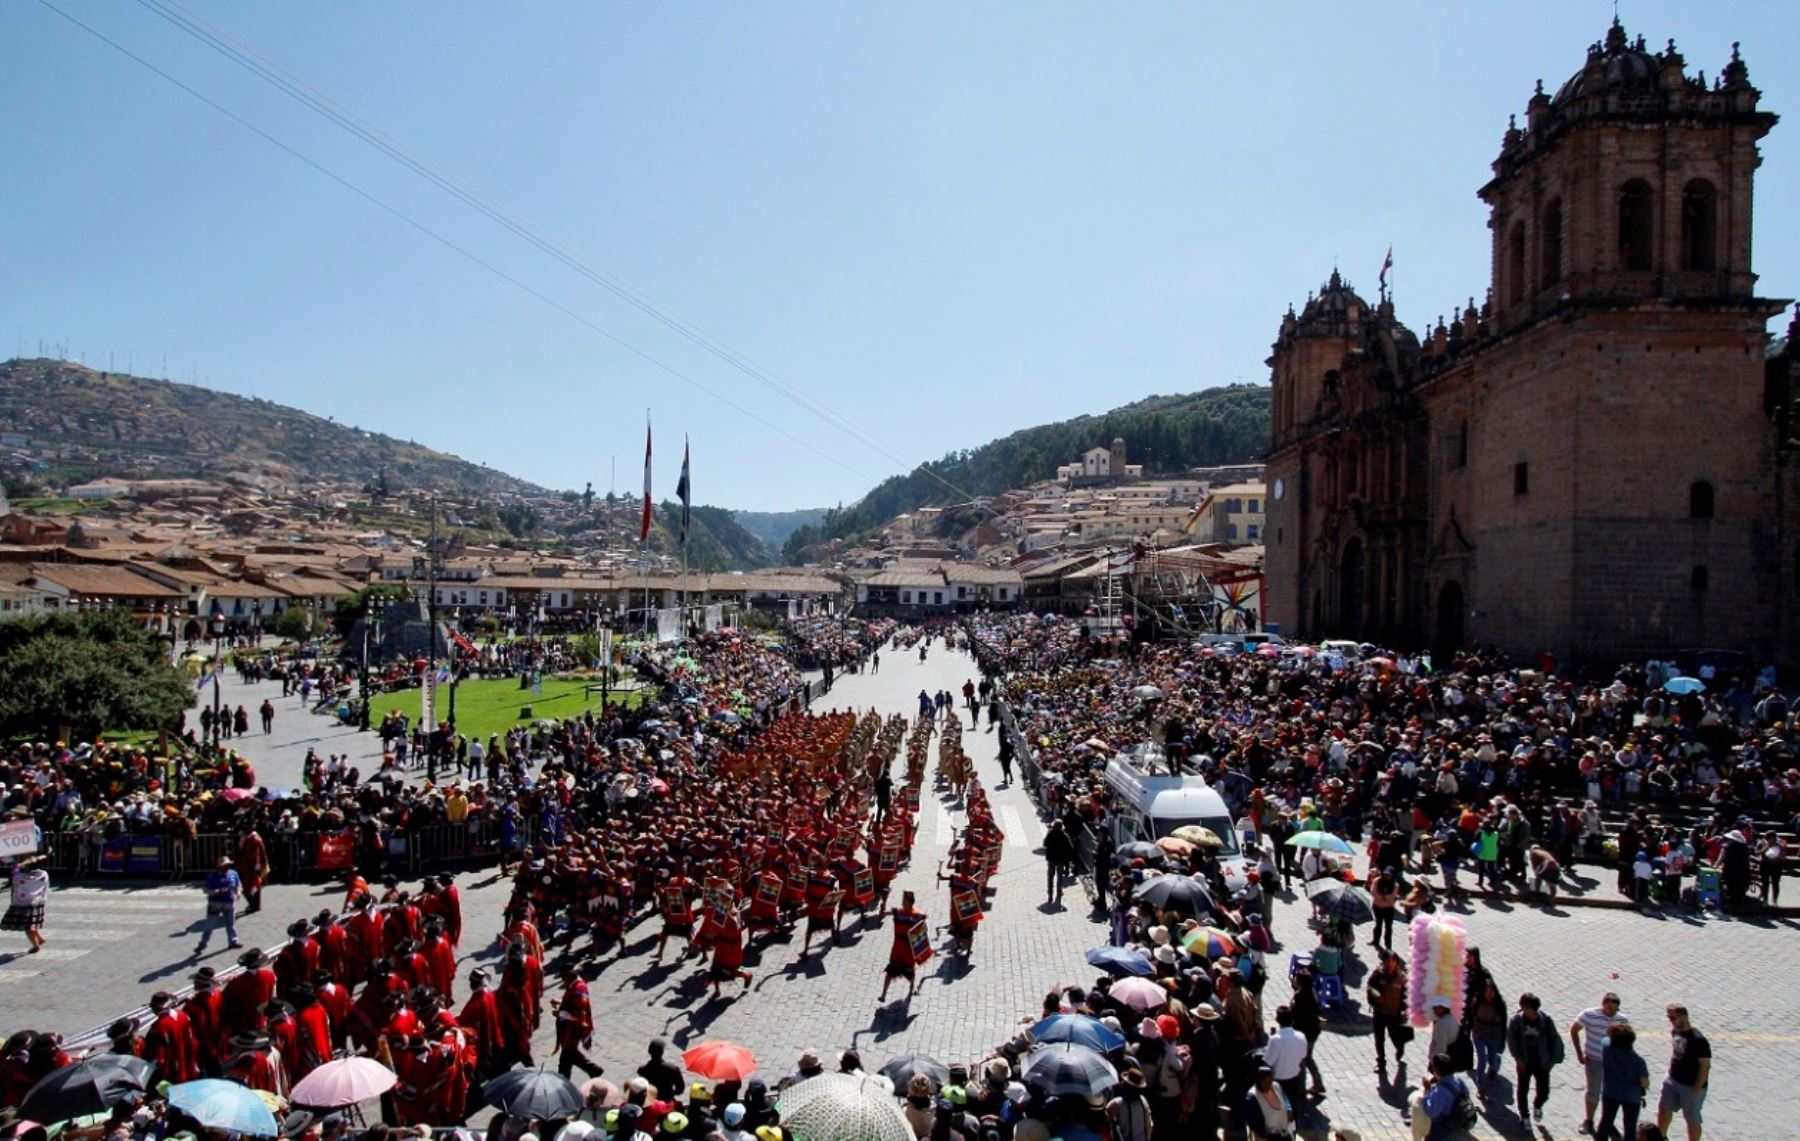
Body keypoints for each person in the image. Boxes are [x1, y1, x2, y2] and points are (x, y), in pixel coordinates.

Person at [1572, 992, 1629, 1135]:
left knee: (1611, 1093)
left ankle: (1607, 1122)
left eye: (1614, 1009)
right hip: (1594, 1060)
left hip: (1613, 1063)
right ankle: (1589, 1121)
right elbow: (1574, 1030)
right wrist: (1579, 1053)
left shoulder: (1622, 1020)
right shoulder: (1589, 1015)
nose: (1611, 1012)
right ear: (1602, 1005)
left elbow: (1625, 1041)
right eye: (1608, 1008)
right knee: (1593, 1091)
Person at [1506, 991, 1565, 1125]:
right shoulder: (1517, 1020)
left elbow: (1554, 1040)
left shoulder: (1546, 1021)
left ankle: (1538, 1105)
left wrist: (1552, 1061)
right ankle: (1524, 1116)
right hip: (1525, 1061)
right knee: (1523, 1089)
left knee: (1544, 1091)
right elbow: (1511, 1041)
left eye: (1527, 1008)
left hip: (1541, 1061)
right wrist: (1518, 1059)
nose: (1524, 1010)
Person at [1656, 1005, 1709, 1141]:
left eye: (1673, 1018)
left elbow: (1705, 1067)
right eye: (1669, 1018)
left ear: (1684, 1017)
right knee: (1663, 1108)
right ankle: (1661, 1137)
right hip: (1672, 1079)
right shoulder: (1675, 1031)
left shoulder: (1699, 1040)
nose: (1671, 1021)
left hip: (1690, 1086)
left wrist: (1697, 1087)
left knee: (1691, 1118)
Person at [1598, 1023, 1649, 1141]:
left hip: (1610, 1092)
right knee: (1630, 1126)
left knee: (1606, 1120)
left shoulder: (1607, 1047)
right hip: (1631, 1096)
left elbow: (1606, 1037)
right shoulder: (1638, 1061)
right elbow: (1644, 1083)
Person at [1410, 1053, 1475, 1141]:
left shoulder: (1440, 1091)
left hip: (1444, 1128)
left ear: (1437, 1070)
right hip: (1459, 1122)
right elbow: (1466, 1094)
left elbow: (1431, 1112)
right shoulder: (1459, 1081)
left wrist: (1427, 1090)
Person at [880, 891, 929, 1002]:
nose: (902, 902)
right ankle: (883, 994)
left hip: (909, 949)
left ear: (910, 902)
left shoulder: (918, 915)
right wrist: (882, 910)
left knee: (910, 972)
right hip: (897, 948)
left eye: (904, 900)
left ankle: (911, 987)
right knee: (890, 971)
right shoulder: (898, 911)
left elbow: (923, 930)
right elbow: (885, 913)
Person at [196, 856, 243, 955]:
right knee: (210, 925)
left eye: (227, 865)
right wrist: (217, 891)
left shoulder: (233, 874)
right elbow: (206, 890)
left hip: (229, 903)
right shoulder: (212, 876)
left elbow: (238, 885)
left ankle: (233, 941)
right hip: (215, 903)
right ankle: (202, 944)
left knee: (231, 924)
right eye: (224, 866)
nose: (226, 867)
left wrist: (238, 892)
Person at [3, 854, 49, 954]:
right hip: (37, 902)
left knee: (28, 927)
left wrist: (16, 866)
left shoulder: (19, 877)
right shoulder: (44, 874)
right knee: (32, 923)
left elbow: (12, 878)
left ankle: (35, 946)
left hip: (24, 904)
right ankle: (40, 939)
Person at [1240, 1066, 1294, 1140]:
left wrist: (1289, 1109)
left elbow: (1285, 1099)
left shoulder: (1276, 1086)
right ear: (1258, 1080)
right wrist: (1265, 1134)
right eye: (1264, 1082)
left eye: (1269, 1082)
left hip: (1284, 1133)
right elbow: (1253, 1121)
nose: (1267, 1085)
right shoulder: (1252, 1097)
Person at [1043, 821, 1076, 905]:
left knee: (1050, 876)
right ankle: (1058, 891)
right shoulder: (1064, 836)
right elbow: (1070, 847)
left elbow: (1045, 843)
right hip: (1060, 859)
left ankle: (1050, 894)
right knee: (1059, 876)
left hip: (1051, 859)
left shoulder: (1050, 833)